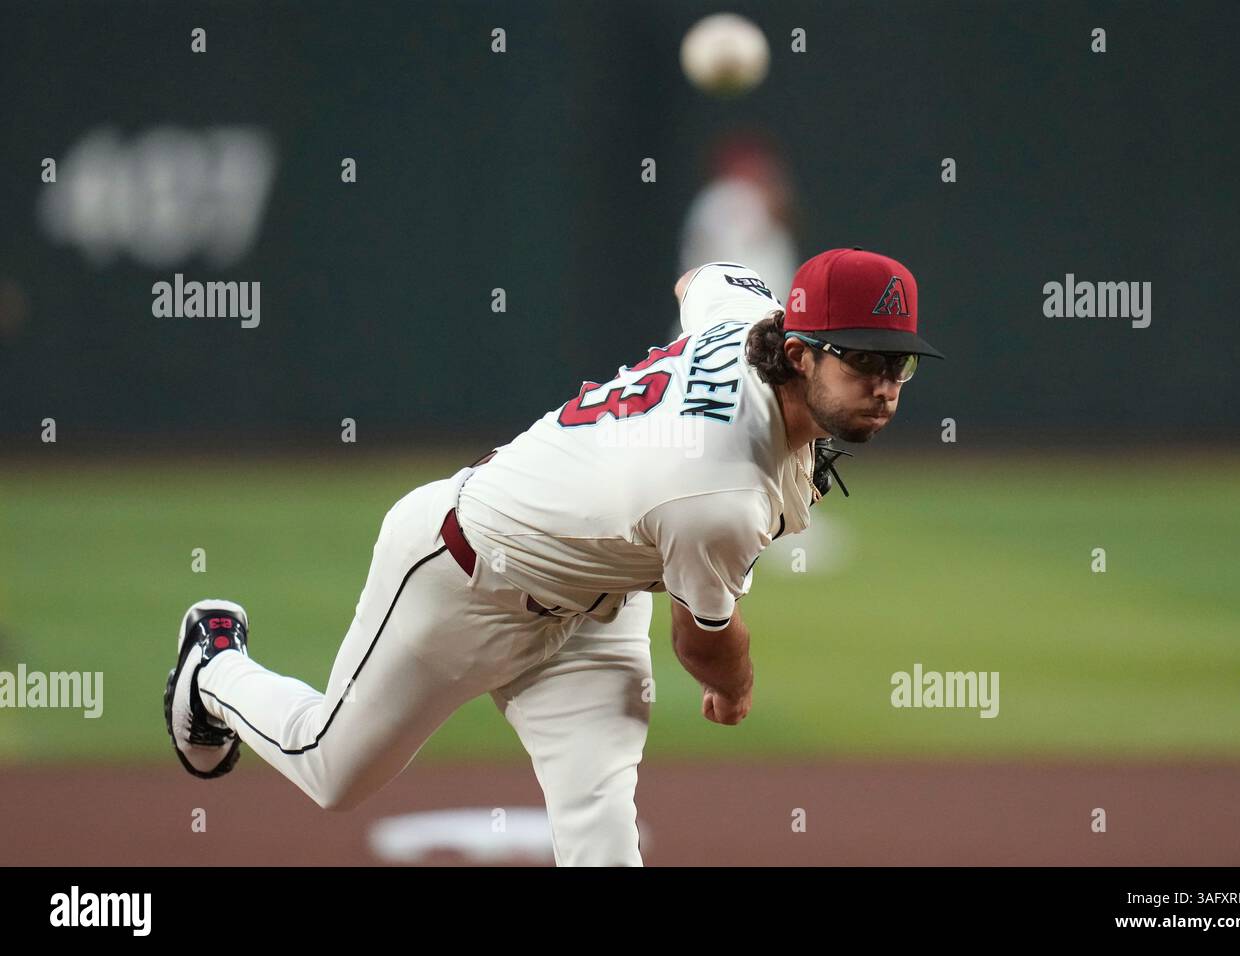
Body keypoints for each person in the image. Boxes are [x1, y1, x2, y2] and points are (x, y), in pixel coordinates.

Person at [164, 247, 944, 866]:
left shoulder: (749, 319)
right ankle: (212, 666)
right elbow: (702, 643)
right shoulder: (719, 494)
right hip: (461, 575)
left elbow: (701, 278)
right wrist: (736, 689)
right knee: (332, 769)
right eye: (862, 360)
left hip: (596, 608)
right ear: (801, 353)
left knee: (603, 844)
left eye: (896, 363)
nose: (884, 384)